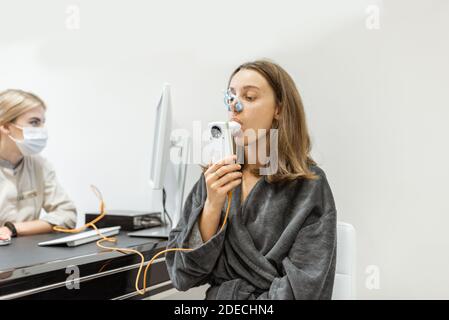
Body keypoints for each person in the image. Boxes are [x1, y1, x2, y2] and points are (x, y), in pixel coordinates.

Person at [165, 60, 337, 299]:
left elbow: (305, 289)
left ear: (278, 109)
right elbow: (180, 275)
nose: (235, 106)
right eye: (231, 97)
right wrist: (212, 206)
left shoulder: (309, 184)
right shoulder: (216, 177)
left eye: (249, 97)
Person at [0, 89, 77, 241]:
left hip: (25, 255)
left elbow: (67, 215)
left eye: (42, 123)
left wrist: (12, 229)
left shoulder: (39, 164)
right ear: (6, 126)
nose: (42, 130)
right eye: (34, 122)